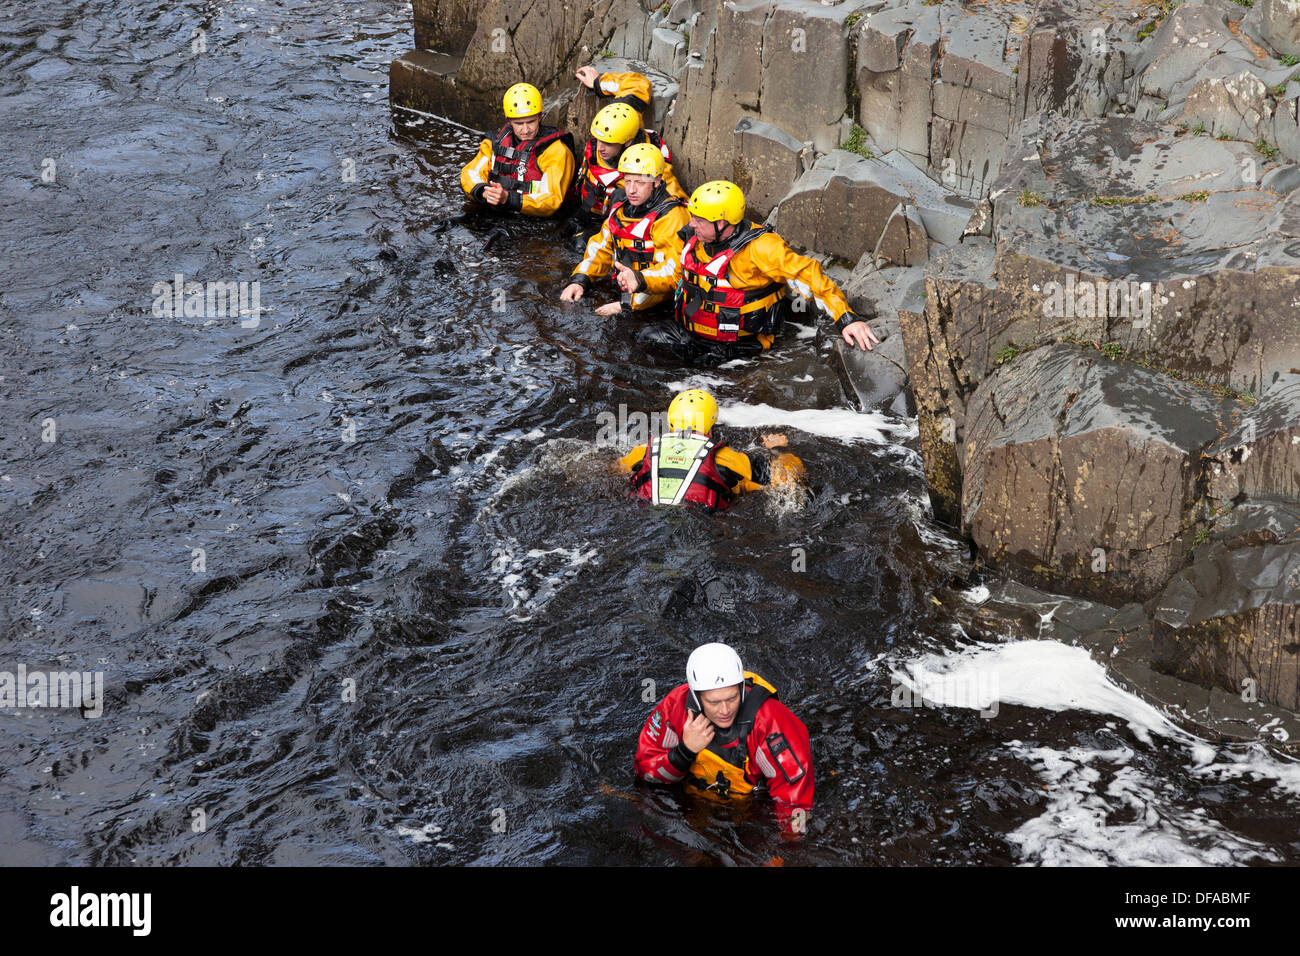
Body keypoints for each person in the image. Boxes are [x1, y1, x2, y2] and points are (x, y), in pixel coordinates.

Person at [639, 180, 879, 366]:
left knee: (695, 371)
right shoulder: (696, 237)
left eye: (698, 220)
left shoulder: (762, 248)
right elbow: (676, 277)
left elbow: (809, 275)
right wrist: (640, 282)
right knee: (643, 338)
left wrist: (847, 319)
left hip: (741, 343)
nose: (691, 224)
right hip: (691, 331)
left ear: (721, 223)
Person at [635, 642, 814, 833]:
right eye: (714, 702)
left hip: (753, 813)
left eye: (732, 698)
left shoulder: (772, 722)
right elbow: (646, 772)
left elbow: (797, 804)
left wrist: (786, 850)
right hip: (690, 807)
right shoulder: (675, 708)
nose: (725, 711)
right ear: (696, 697)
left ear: (741, 689)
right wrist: (685, 751)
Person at [617, 389, 804, 510]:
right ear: (711, 426)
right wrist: (778, 450)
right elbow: (787, 480)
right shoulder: (730, 459)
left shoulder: (642, 452)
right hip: (701, 520)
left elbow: (614, 472)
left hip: (647, 514)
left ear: (670, 421)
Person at [559, 144, 690, 317]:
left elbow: (674, 273)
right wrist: (580, 280)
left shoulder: (671, 217)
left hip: (654, 298)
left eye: (640, 183)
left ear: (656, 181)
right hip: (624, 287)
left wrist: (627, 303)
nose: (631, 190)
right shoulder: (620, 208)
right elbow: (601, 248)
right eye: (628, 181)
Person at [566, 72, 687, 237]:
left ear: (627, 142)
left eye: (608, 143)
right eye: (598, 139)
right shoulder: (624, 115)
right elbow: (638, 83)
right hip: (585, 211)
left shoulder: (649, 162)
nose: (599, 148)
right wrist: (598, 82)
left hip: (617, 222)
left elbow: (675, 199)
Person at [459, 83, 576, 217]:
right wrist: (483, 192)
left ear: (540, 117)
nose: (525, 130)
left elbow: (551, 199)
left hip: (532, 219)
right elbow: (470, 173)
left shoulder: (557, 151)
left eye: (531, 122)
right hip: (495, 210)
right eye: (519, 123)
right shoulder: (493, 143)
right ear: (509, 121)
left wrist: (507, 199)